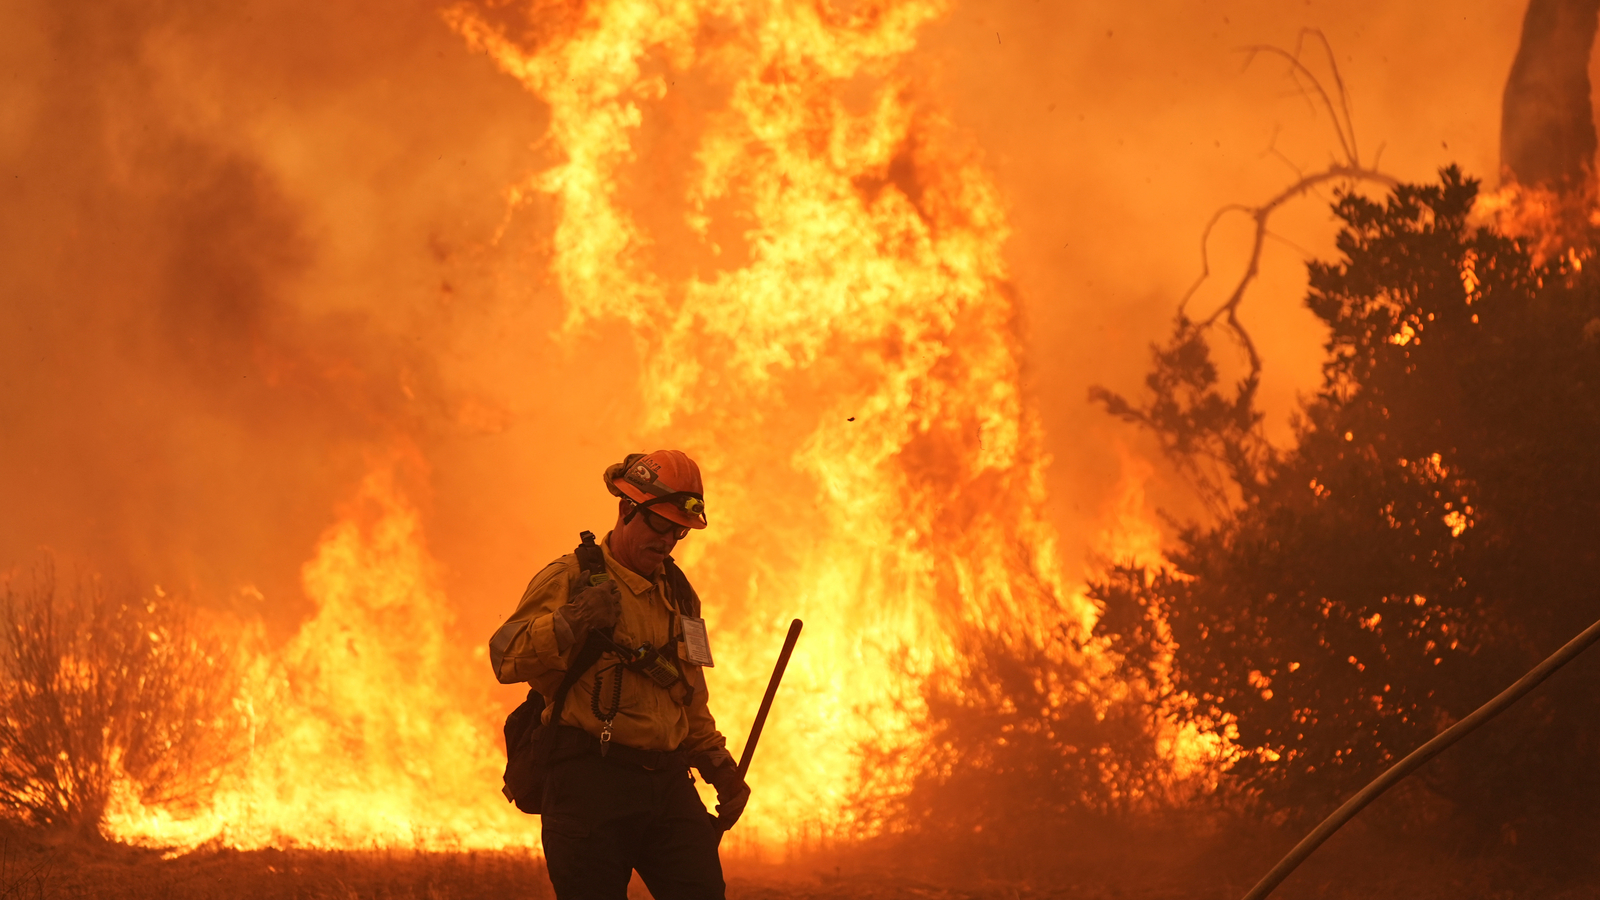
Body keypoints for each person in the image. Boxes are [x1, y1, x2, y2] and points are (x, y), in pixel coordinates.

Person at [488, 450, 749, 900]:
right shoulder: (568, 579)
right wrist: (571, 621)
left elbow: (688, 694)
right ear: (628, 510)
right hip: (590, 785)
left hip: (667, 786)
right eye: (659, 525)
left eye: (679, 531)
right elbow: (504, 657)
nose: (668, 540)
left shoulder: (681, 595)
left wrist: (717, 764)